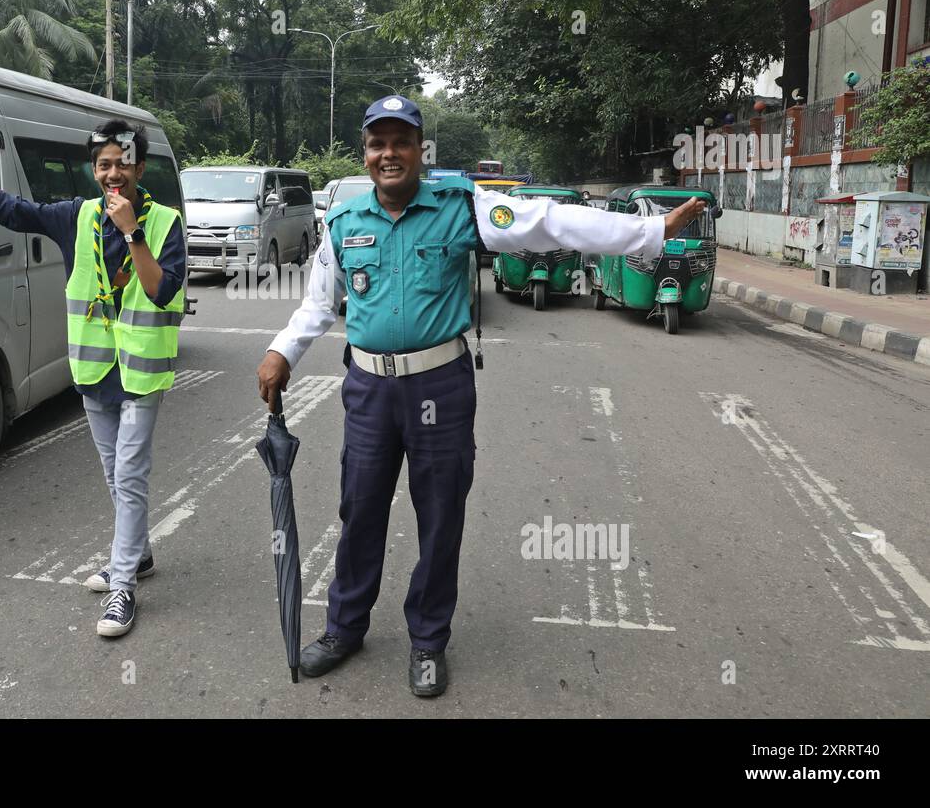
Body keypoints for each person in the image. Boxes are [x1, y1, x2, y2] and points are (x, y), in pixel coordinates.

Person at [256, 96, 705, 697]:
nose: (388, 154)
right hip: (367, 389)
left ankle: (427, 640)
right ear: (365, 153)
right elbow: (317, 304)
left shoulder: (462, 208)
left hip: (439, 383)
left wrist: (648, 231)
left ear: (420, 151)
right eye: (376, 143)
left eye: (401, 142)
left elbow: (548, 220)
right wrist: (282, 351)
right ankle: (344, 627)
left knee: (440, 515)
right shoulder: (343, 224)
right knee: (359, 510)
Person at [0, 119, 185, 638]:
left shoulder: (164, 223)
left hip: (141, 372)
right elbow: (6, 207)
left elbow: (160, 291)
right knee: (115, 474)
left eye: (122, 163)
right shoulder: (75, 216)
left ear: (139, 167)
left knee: (133, 474)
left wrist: (132, 232)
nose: (112, 174)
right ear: (93, 170)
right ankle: (136, 556)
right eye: (103, 165)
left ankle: (123, 587)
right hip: (96, 370)